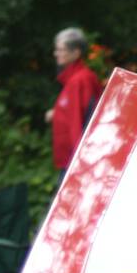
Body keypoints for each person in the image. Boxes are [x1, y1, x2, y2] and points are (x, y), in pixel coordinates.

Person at [44, 28, 102, 172]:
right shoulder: (73, 80)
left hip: (75, 163)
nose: (56, 53)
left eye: (61, 50)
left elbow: (79, 121)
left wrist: (79, 163)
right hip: (71, 160)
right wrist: (56, 113)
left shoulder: (79, 81)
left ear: (76, 53)